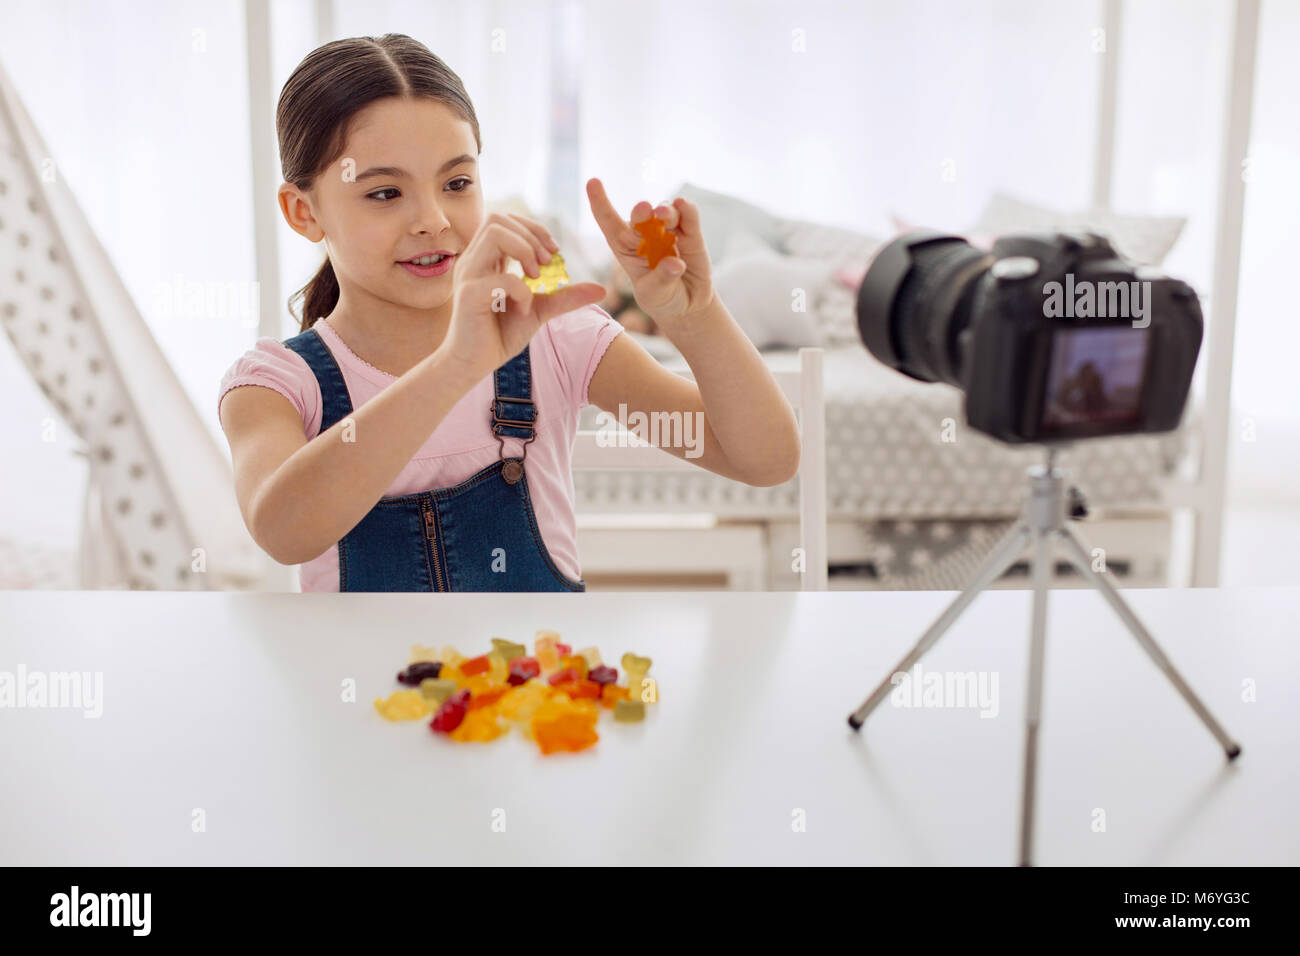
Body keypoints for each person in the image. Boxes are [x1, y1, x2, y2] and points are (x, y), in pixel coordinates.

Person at [216, 33, 800, 592]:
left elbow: (767, 459)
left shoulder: (554, 338)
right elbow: (284, 531)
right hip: (364, 695)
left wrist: (696, 318)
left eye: (457, 182)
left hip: (533, 692)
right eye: (385, 193)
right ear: (303, 212)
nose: (434, 220)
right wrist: (456, 364)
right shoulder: (276, 384)